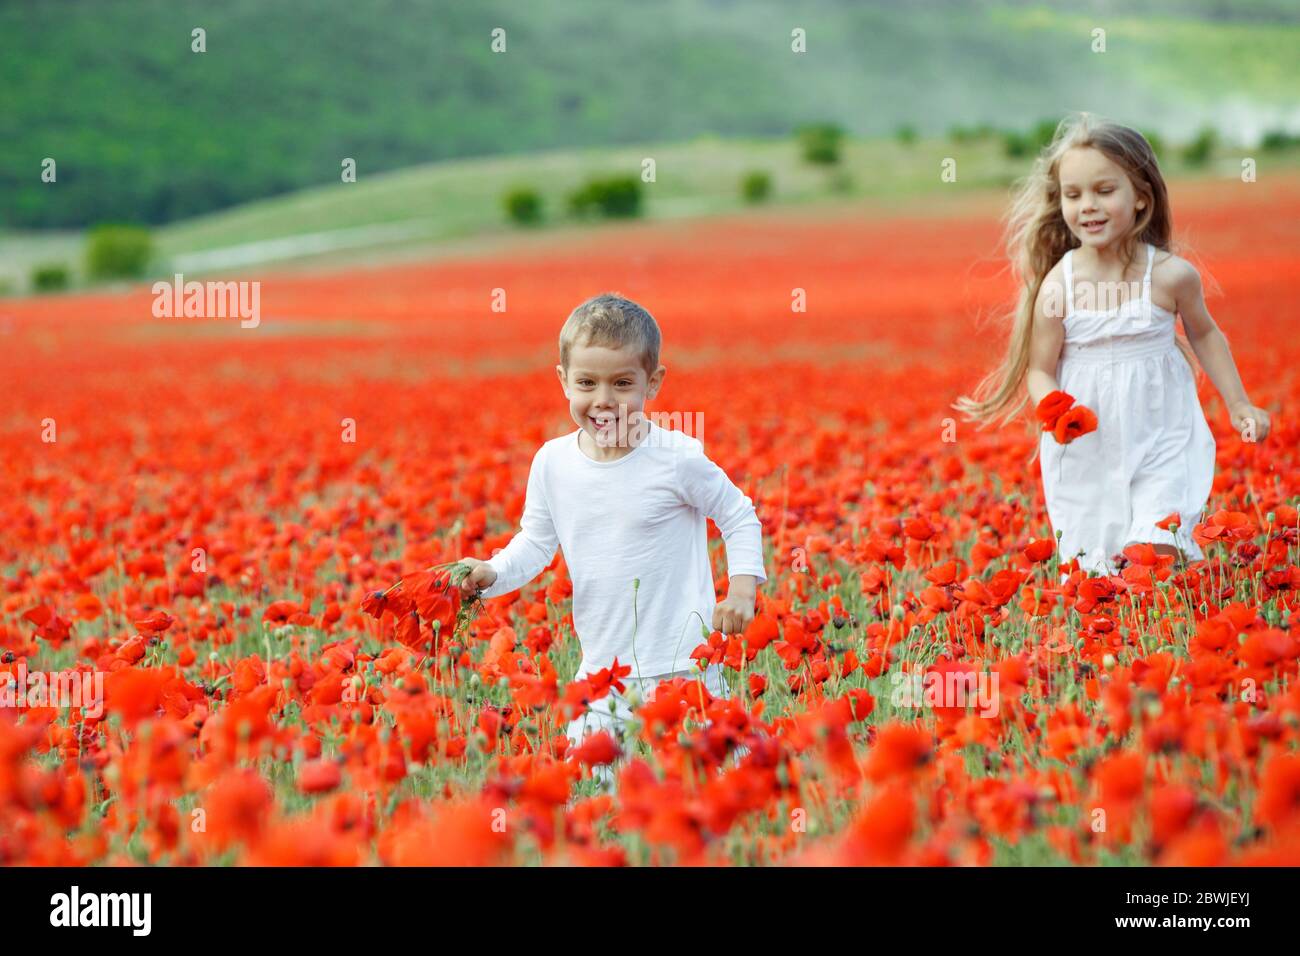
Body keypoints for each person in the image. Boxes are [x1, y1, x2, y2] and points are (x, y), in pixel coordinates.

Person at [457, 292, 768, 784]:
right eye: (587, 382)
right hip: (603, 672)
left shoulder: (675, 457)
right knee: (592, 796)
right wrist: (491, 574)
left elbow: (738, 513)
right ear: (563, 381)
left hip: (686, 664)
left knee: (721, 789)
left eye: (623, 383)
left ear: (654, 383)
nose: (603, 400)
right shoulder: (553, 463)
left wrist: (743, 590)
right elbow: (536, 542)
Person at [955, 112, 1271, 575]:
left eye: (1105, 191)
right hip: (1087, 443)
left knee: (1157, 543)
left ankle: (1166, 623)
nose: (1088, 206)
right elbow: (1040, 368)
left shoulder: (1170, 276)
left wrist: (1239, 404)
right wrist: (1055, 408)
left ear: (1141, 198)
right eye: (1073, 194)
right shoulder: (1057, 286)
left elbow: (1204, 333)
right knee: (1100, 566)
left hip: (1164, 430)